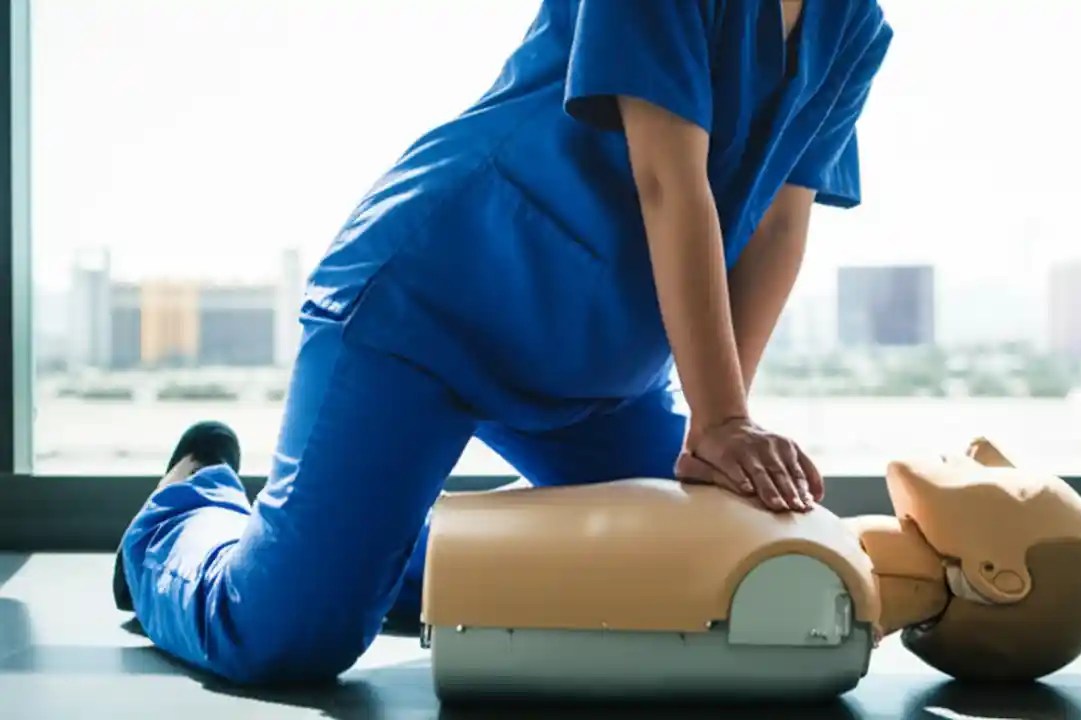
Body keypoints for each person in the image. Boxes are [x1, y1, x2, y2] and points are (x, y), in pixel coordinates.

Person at [113, 0, 893, 686]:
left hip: (592, 373)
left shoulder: (851, 23)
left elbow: (781, 226)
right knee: (286, 638)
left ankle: (360, 543)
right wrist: (722, 419)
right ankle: (180, 513)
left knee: (696, 561)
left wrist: (716, 428)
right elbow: (668, 179)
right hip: (428, 307)